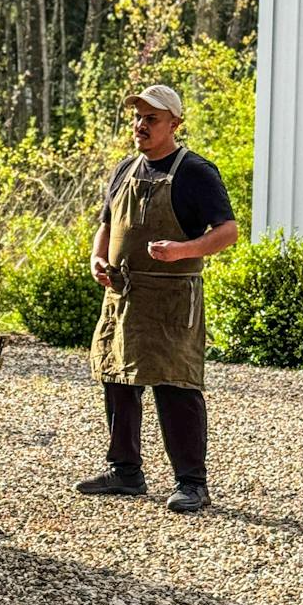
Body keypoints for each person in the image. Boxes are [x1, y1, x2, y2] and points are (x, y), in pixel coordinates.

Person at [78, 83, 238, 514]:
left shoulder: (196, 172)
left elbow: (228, 232)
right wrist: (97, 257)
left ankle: (192, 482)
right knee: (117, 379)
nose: (140, 125)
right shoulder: (124, 169)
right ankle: (125, 470)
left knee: (175, 385)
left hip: (170, 299)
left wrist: (182, 250)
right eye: (137, 117)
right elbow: (106, 223)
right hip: (123, 295)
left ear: (174, 124)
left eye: (151, 118)